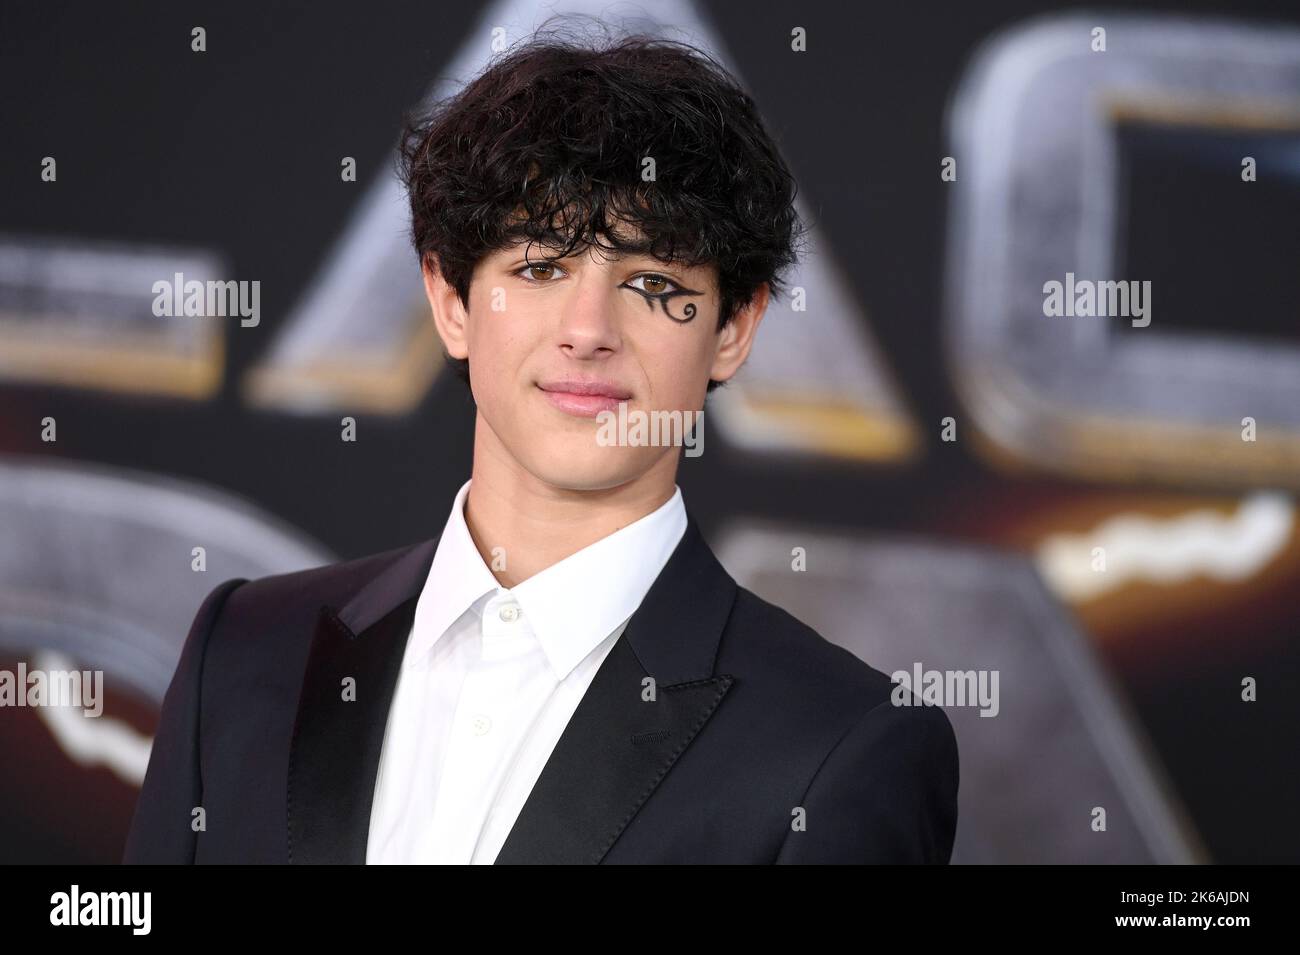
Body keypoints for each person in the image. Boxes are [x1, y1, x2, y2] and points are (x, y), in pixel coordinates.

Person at [123, 27, 958, 865]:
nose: (587, 331)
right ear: (450, 300)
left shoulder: (843, 748)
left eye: (653, 284)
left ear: (734, 329)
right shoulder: (245, 650)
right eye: (539, 268)